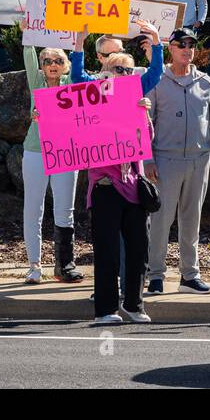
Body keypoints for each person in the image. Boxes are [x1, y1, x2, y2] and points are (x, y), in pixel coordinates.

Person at [69, 22, 163, 323]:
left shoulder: (137, 98)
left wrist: (158, 44)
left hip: (134, 186)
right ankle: (106, 310)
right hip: (106, 185)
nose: (122, 75)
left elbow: (155, 74)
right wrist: (79, 44)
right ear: (105, 73)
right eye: (115, 69)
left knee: (138, 250)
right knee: (108, 252)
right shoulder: (94, 94)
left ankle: (134, 305)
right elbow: (77, 76)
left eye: (126, 70)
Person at [144, 27, 210, 296]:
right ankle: (156, 275)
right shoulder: (157, 80)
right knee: (161, 219)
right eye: (181, 44)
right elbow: (145, 122)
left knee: (191, 219)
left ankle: (189, 275)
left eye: (191, 44)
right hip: (165, 160)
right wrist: (148, 158)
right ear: (171, 48)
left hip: (199, 160)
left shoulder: (205, 82)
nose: (187, 49)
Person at [20, 45, 83, 283]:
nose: (52, 64)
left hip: (67, 151)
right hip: (36, 151)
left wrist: (80, 43)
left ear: (65, 63)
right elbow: (28, 54)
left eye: (57, 60)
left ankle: (64, 265)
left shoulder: (72, 82)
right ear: (41, 66)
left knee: (65, 210)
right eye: (46, 61)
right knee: (33, 209)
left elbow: (81, 69)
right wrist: (28, 35)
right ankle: (34, 266)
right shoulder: (37, 82)